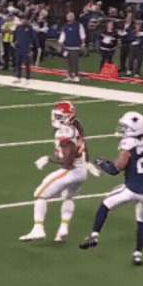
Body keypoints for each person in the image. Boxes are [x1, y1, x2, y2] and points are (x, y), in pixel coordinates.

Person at [80, 111, 143, 266]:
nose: (122, 129)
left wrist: (101, 163)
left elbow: (116, 169)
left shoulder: (128, 144)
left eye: (125, 127)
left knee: (105, 204)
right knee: (142, 222)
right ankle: (138, 254)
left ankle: (94, 235)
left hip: (131, 189)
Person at [19, 101, 93, 244]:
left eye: (60, 116)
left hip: (71, 170)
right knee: (68, 197)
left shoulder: (64, 133)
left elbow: (67, 161)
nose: (56, 118)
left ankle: (38, 228)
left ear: (67, 117)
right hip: (82, 170)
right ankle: (63, 228)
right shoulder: (76, 124)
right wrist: (87, 162)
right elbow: (83, 142)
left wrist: (49, 159)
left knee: (40, 194)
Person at [57, 11, 86, 82]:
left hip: (75, 47)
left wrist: (83, 43)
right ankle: (70, 75)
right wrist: (60, 44)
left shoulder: (78, 25)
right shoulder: (65, 26)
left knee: (75, 62)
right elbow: (62, 36)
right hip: (66, 47)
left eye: (70, 16)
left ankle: (76, 76)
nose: (69, 17)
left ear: (73, 17)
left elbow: (82, 35)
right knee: (68, 62)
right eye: (68, 16)